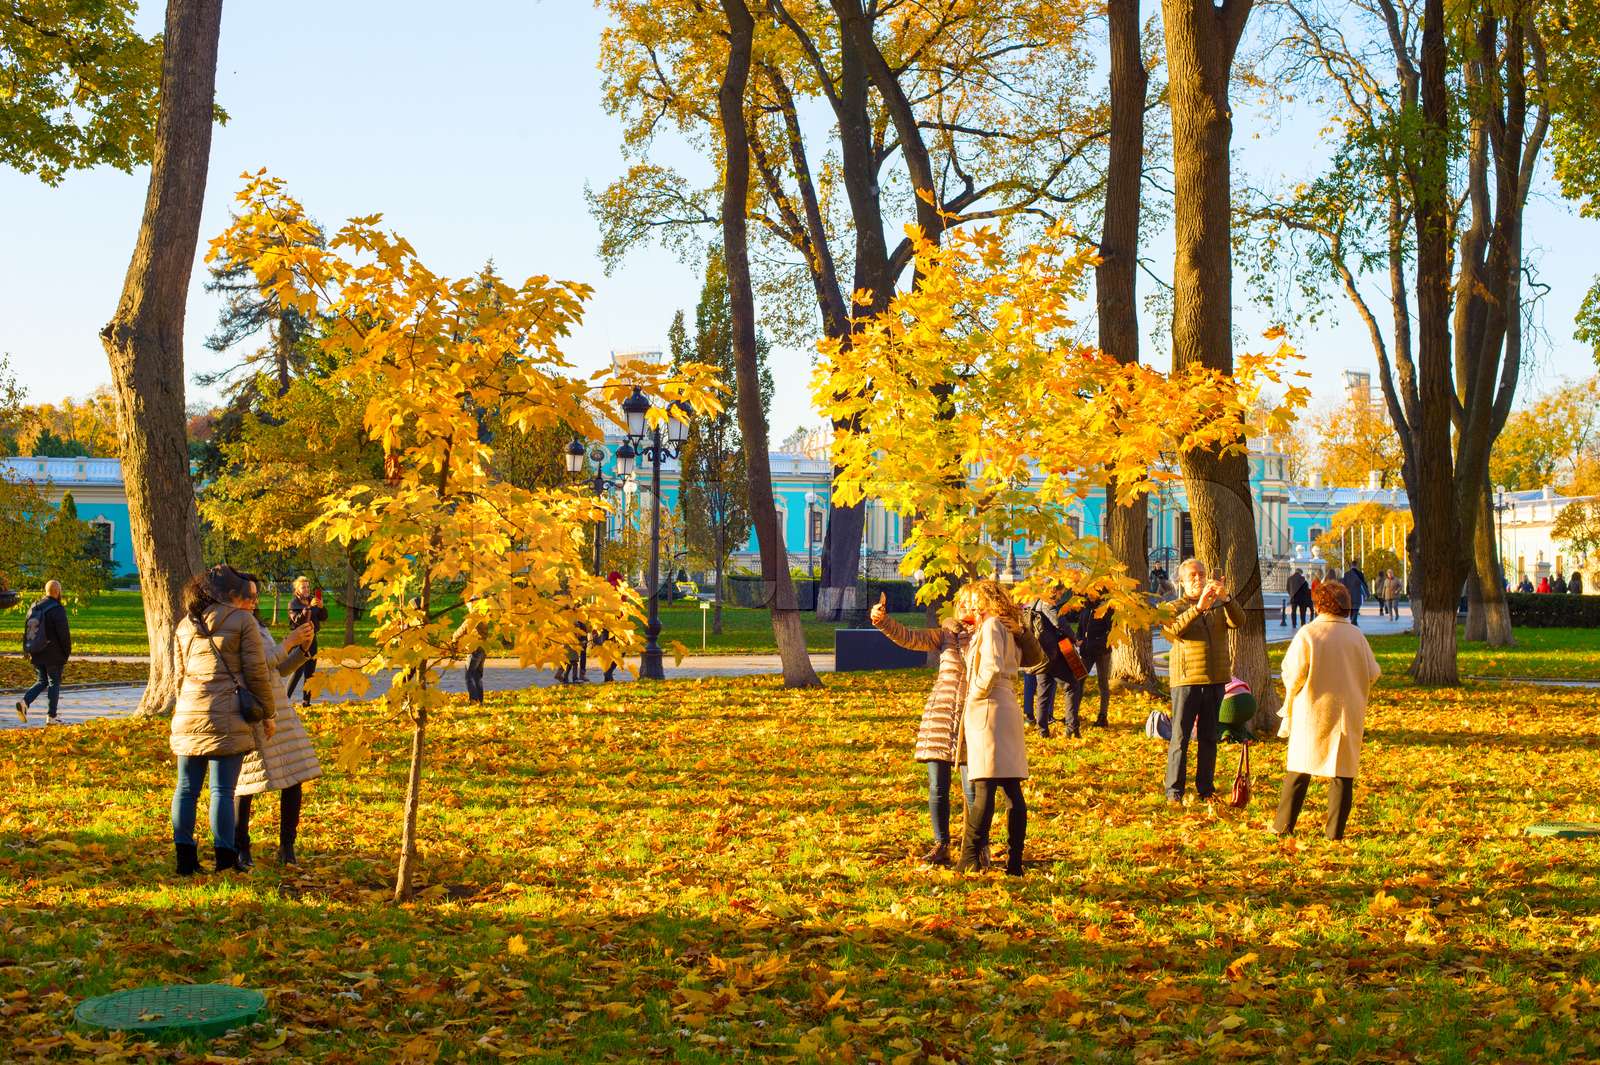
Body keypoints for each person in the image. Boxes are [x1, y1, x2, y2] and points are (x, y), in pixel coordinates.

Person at [171, 565, 279, 874]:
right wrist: (268, 713)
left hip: (189, 713)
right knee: (222, 791)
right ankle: (225, 860)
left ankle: (185, 860)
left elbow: (179, 677)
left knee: (186, 789)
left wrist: (184, 710)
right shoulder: (243, 621)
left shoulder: (185, 625)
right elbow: (257, 673)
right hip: (227, 716)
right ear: (229, 594)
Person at [871, 588, 976, 866]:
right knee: (937, 787)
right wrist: (884, 622)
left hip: (974, 718)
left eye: (973, 605)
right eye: (963, 604)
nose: (967, 609)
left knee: (973, 789)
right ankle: (941, 844)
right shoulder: (945, 636)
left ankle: (976, 847)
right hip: (941, 716)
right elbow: (911, 638)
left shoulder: (988, 637)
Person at [1273, 580, 1380, 840]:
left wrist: (1293, 692)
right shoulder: (1356, 635)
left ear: (1319, 604)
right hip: (1347, 712)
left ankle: (1282, 826)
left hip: (1313, 710)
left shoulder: (1309, 634)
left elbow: (1293, 672)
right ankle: (1334, 832)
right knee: (1342, 773)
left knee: (1299, 767)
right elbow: (1373, 673)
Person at [233, 576, 319, 868]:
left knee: (294, 775)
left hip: (278, 706)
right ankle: (241, 847)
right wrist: (288, 642)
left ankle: (287, 847)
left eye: (257, 596)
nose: (255, 602)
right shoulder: (232, 627)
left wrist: (302, 650)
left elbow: (278, 668)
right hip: (250, 709)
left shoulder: (258, 625)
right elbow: (254, 666)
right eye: (250, 596)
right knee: (245, 783)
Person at [956, 580, 1029, 876]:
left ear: (988, 600)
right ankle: (1014, 862)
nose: (971, 605)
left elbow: (992, 666)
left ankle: (970, 857)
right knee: (1011, 787)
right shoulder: (1004, 627)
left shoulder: (991, 627)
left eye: (976, 600)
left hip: (989, 708)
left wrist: (975, 693)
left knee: (985, 785)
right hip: (1004, 704)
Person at [1160, 558, 1245, 804]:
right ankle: (1174, 791)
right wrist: (1197, 608)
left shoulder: (1219, 606)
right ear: (1182, 582)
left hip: (1216, 679)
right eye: (1192, 576)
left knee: (1209, 737)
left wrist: (1227, 598)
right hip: (1186, 680)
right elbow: (1173, 631)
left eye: (1201, 574)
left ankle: (1206, 789)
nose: (1198, 579)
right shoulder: (1173, 606)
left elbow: (1239, 621)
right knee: (1181, 737)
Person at [16, 579, 71, 724]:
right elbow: (63, 634)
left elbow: (26, 630)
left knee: (42, 680)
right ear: (58, 591)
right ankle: (51, 716)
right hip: (54, 653)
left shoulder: (34, 607)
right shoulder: (57, 609)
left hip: (35, 650)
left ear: (45, 591)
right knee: (54, 682)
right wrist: (67, 652)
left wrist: (26, 649)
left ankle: (24, 702)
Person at [1060, 593, 1115, 732]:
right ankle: (1073, 715)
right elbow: (1080, 627)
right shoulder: (1085, 608)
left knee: (1103, 683)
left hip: (1102, 651)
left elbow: (1110, 631)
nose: (1090, 596)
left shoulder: (1106, 608)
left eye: (1093, 593)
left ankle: (1103, 716)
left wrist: (1096, 643)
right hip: (1086, 652)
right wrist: (1079, 639)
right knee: (1078, 681)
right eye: (1089, 593)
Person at [1021, 588, 1068, 736]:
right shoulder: (1047, 604)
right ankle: (1046, 720)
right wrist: (1073, 638)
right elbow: (1058, 623)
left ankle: (1031, 716)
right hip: (1048, 651)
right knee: (1060, 685)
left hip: (1033, 648)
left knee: (1035, 684)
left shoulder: (1030, 603)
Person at [285, 577, 328, 707]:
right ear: (297, 589)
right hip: (299, 640)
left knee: (310, 672)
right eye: (303, 587)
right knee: (297, 671)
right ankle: (285, 699)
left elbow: (323, 617)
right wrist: (309, 607)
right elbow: (297, 620)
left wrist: (321, 607)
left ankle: (306, 702)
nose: (306, 589)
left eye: (308, 587)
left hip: (312, 638)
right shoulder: (293, 603)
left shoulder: (312, 600)